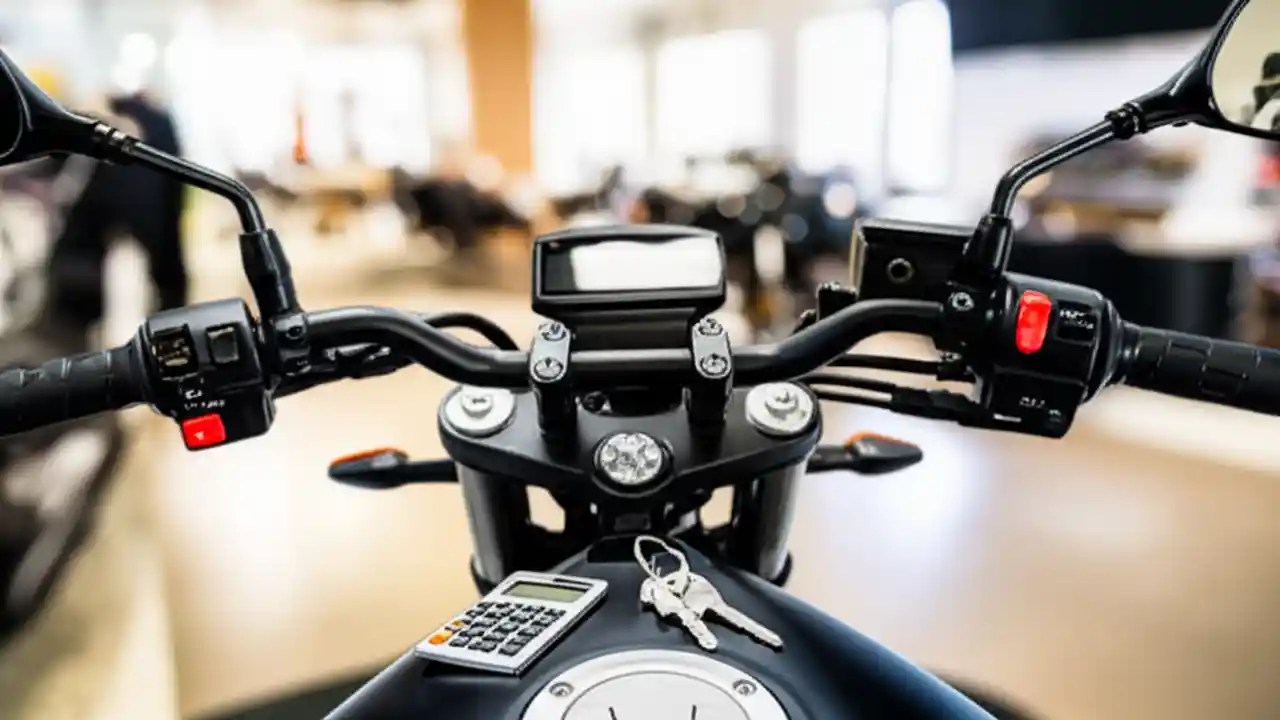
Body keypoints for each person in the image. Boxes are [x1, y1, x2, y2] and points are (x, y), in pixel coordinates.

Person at [44, 92, 188, 341]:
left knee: (123, 315)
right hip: (129, 243)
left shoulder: (102, 120)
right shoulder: (152, 123)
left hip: (118, 245)